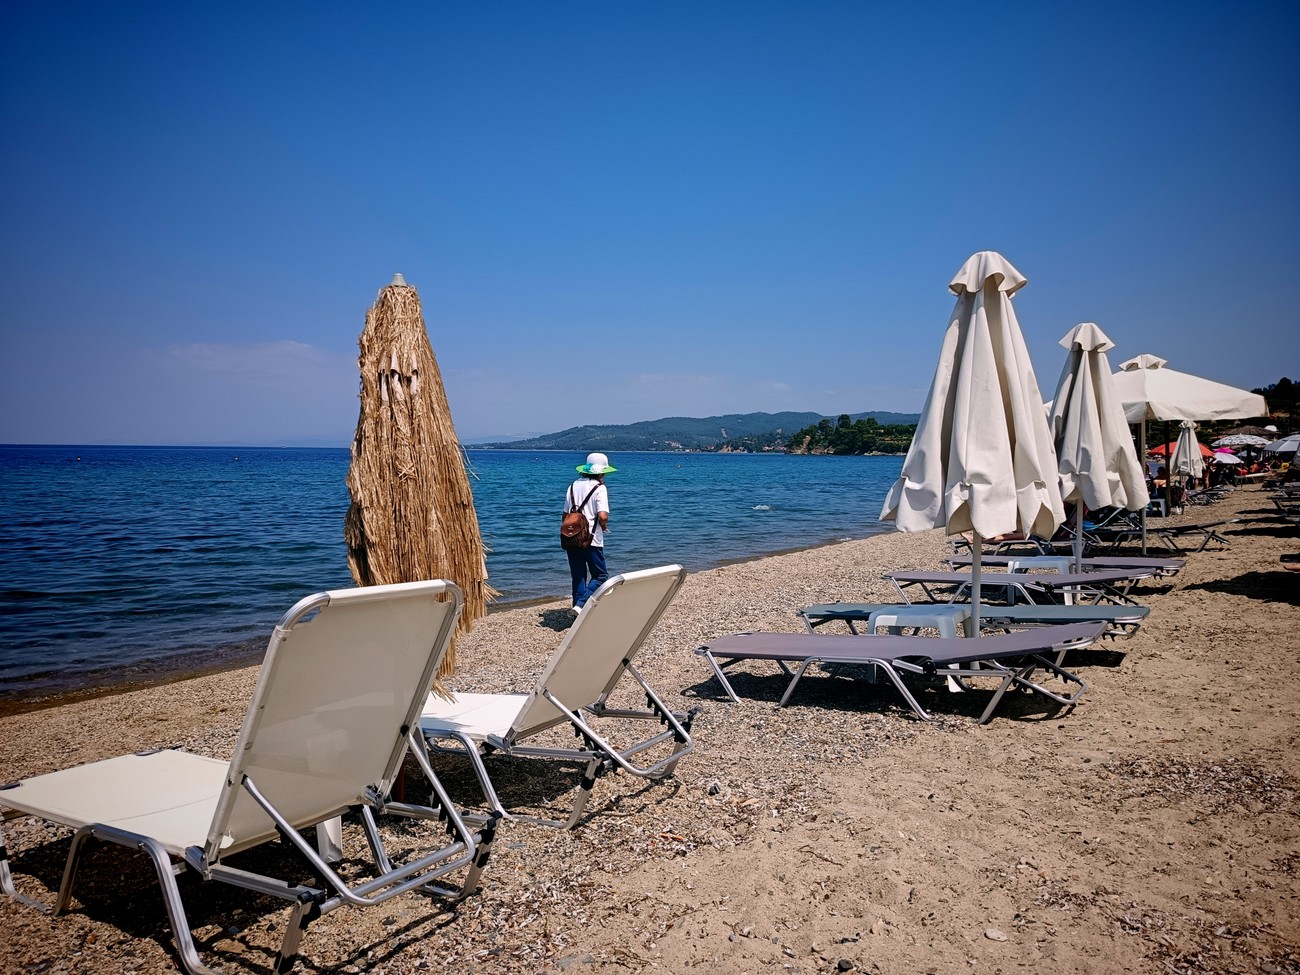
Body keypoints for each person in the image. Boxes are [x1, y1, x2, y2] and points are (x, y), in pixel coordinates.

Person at [563, 452, 615, 613]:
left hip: (571, 537)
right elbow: (603, 516)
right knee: (600, 576)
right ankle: (581, 605)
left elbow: (565, 514)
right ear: (600, 472)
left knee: (578, 576)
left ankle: (577, 610)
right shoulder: (600, 488)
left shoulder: (572, 486)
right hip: (592, 539)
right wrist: (604, 526)